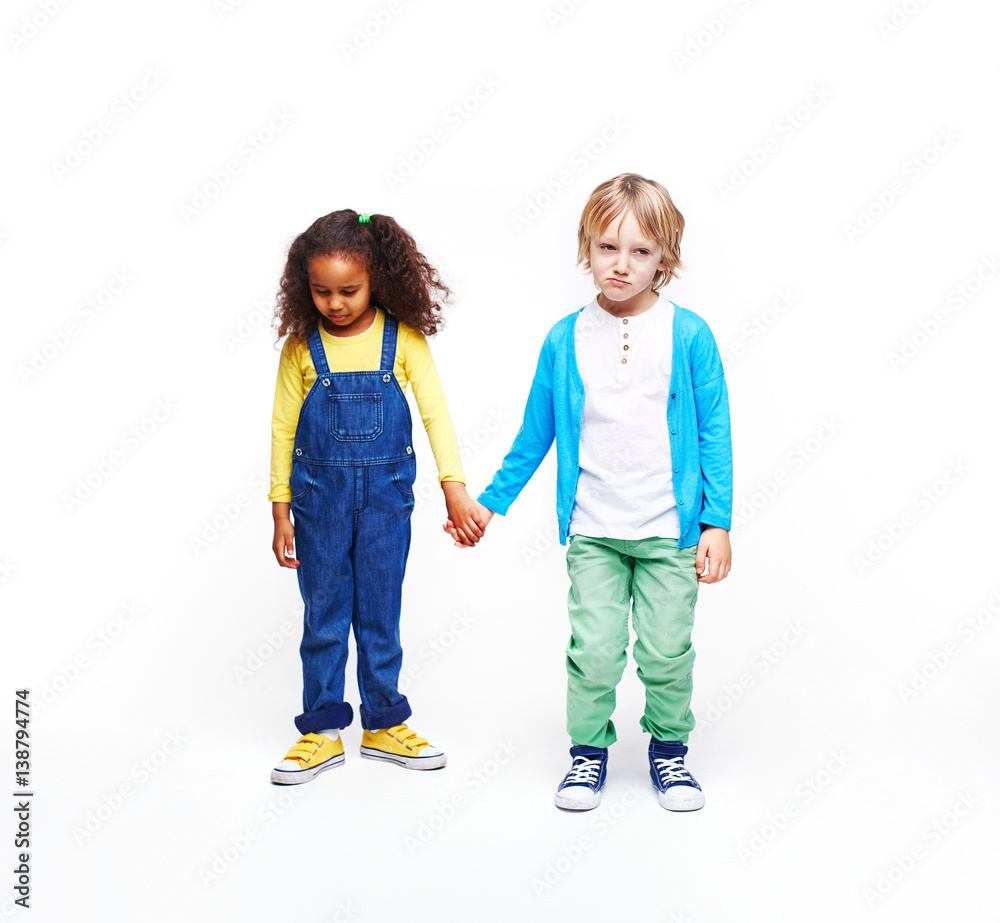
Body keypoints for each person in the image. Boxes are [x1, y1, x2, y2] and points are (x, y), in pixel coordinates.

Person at [446, 174, 733, 811]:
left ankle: (669, 750)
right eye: (608, 247)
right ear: (587, 248)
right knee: (595, 652)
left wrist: (717, 521)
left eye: (640, 251)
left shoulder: (689, 335)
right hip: (594, 530)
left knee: (667, 652)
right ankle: (587, 754)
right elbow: (536, 433)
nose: (621, 264)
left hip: (671, 532)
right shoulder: (564, 338)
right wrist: (489, 504)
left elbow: (714, 431)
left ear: (665, 257)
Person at [268, 209, 486, 784]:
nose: (335, 303)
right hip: (317, 502)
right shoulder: (300, 348)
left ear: (377, 279)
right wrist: (280, 510)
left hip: (387, 502)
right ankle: (320, 730)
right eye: (322, 291)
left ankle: (384, 723)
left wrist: (455, 489)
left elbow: (435, 414)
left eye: (349, 291)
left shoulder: (403, 339)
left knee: (380, 612)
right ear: (305, 286)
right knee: (324, 614)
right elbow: (283, 430)